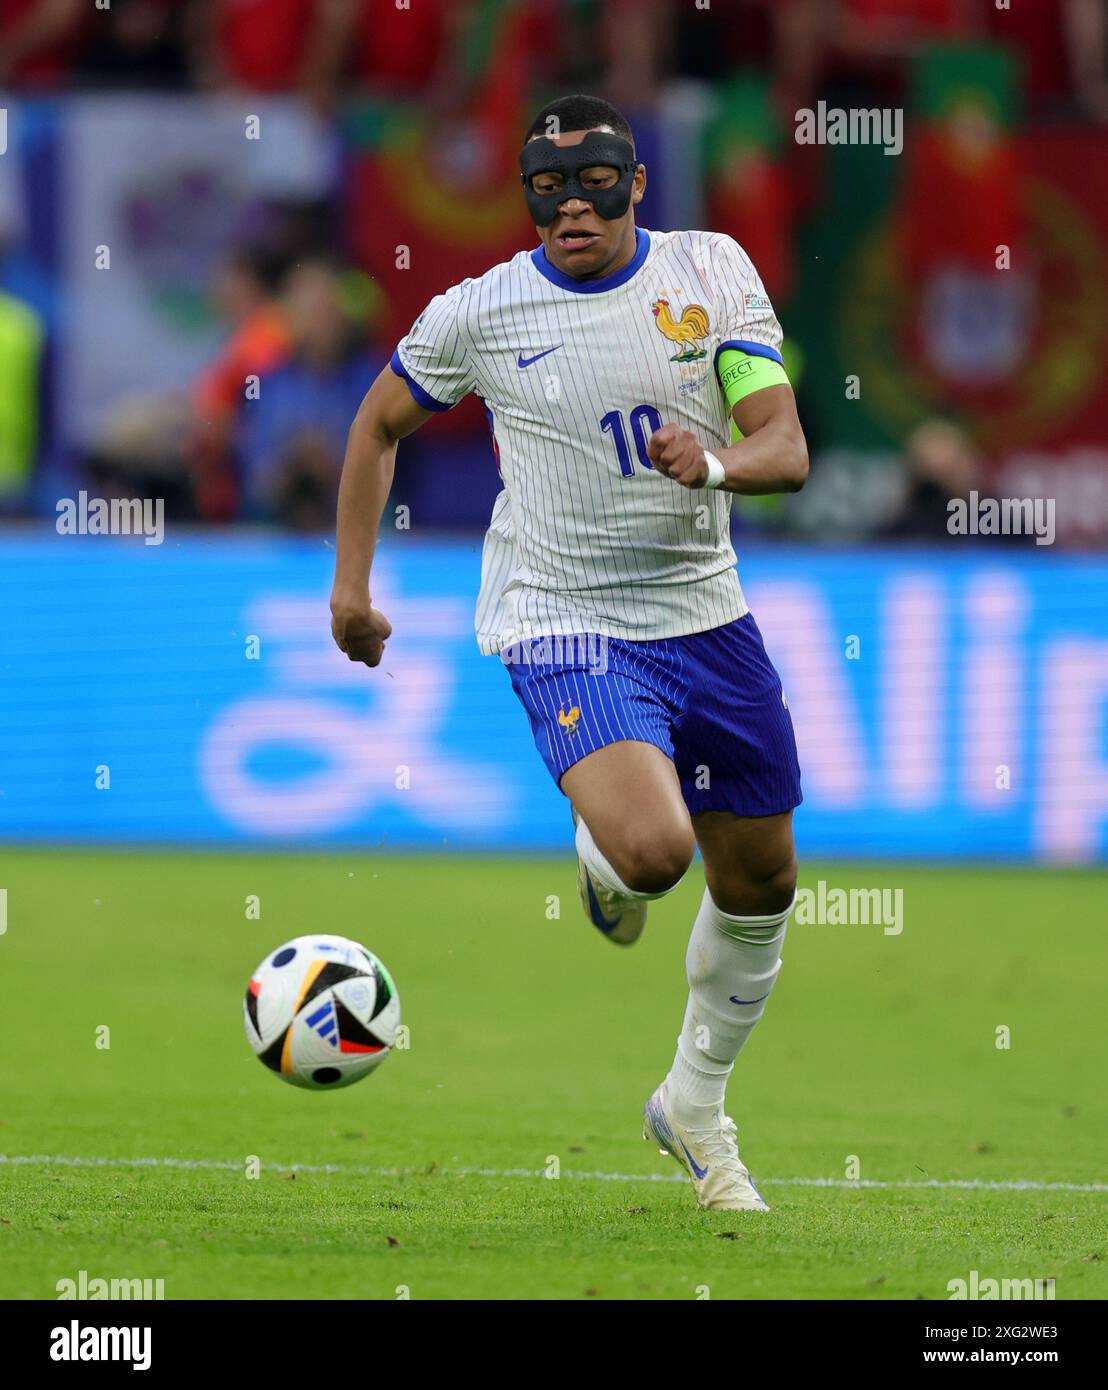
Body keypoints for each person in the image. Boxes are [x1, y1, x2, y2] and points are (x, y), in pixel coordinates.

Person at [329, 94, 808, 1213]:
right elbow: (375, 426)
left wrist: (721, 466)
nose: (571, 206)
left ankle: (692, 1103)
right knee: (652, 853)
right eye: (548, 189)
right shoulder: (479, 311)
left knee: (764, 878)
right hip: (563, 613)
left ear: (637, 185)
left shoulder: (708, 274)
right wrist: (351, 589)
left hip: (704, 610)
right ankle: (608, 837)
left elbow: (782, 443)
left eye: (595, 180)